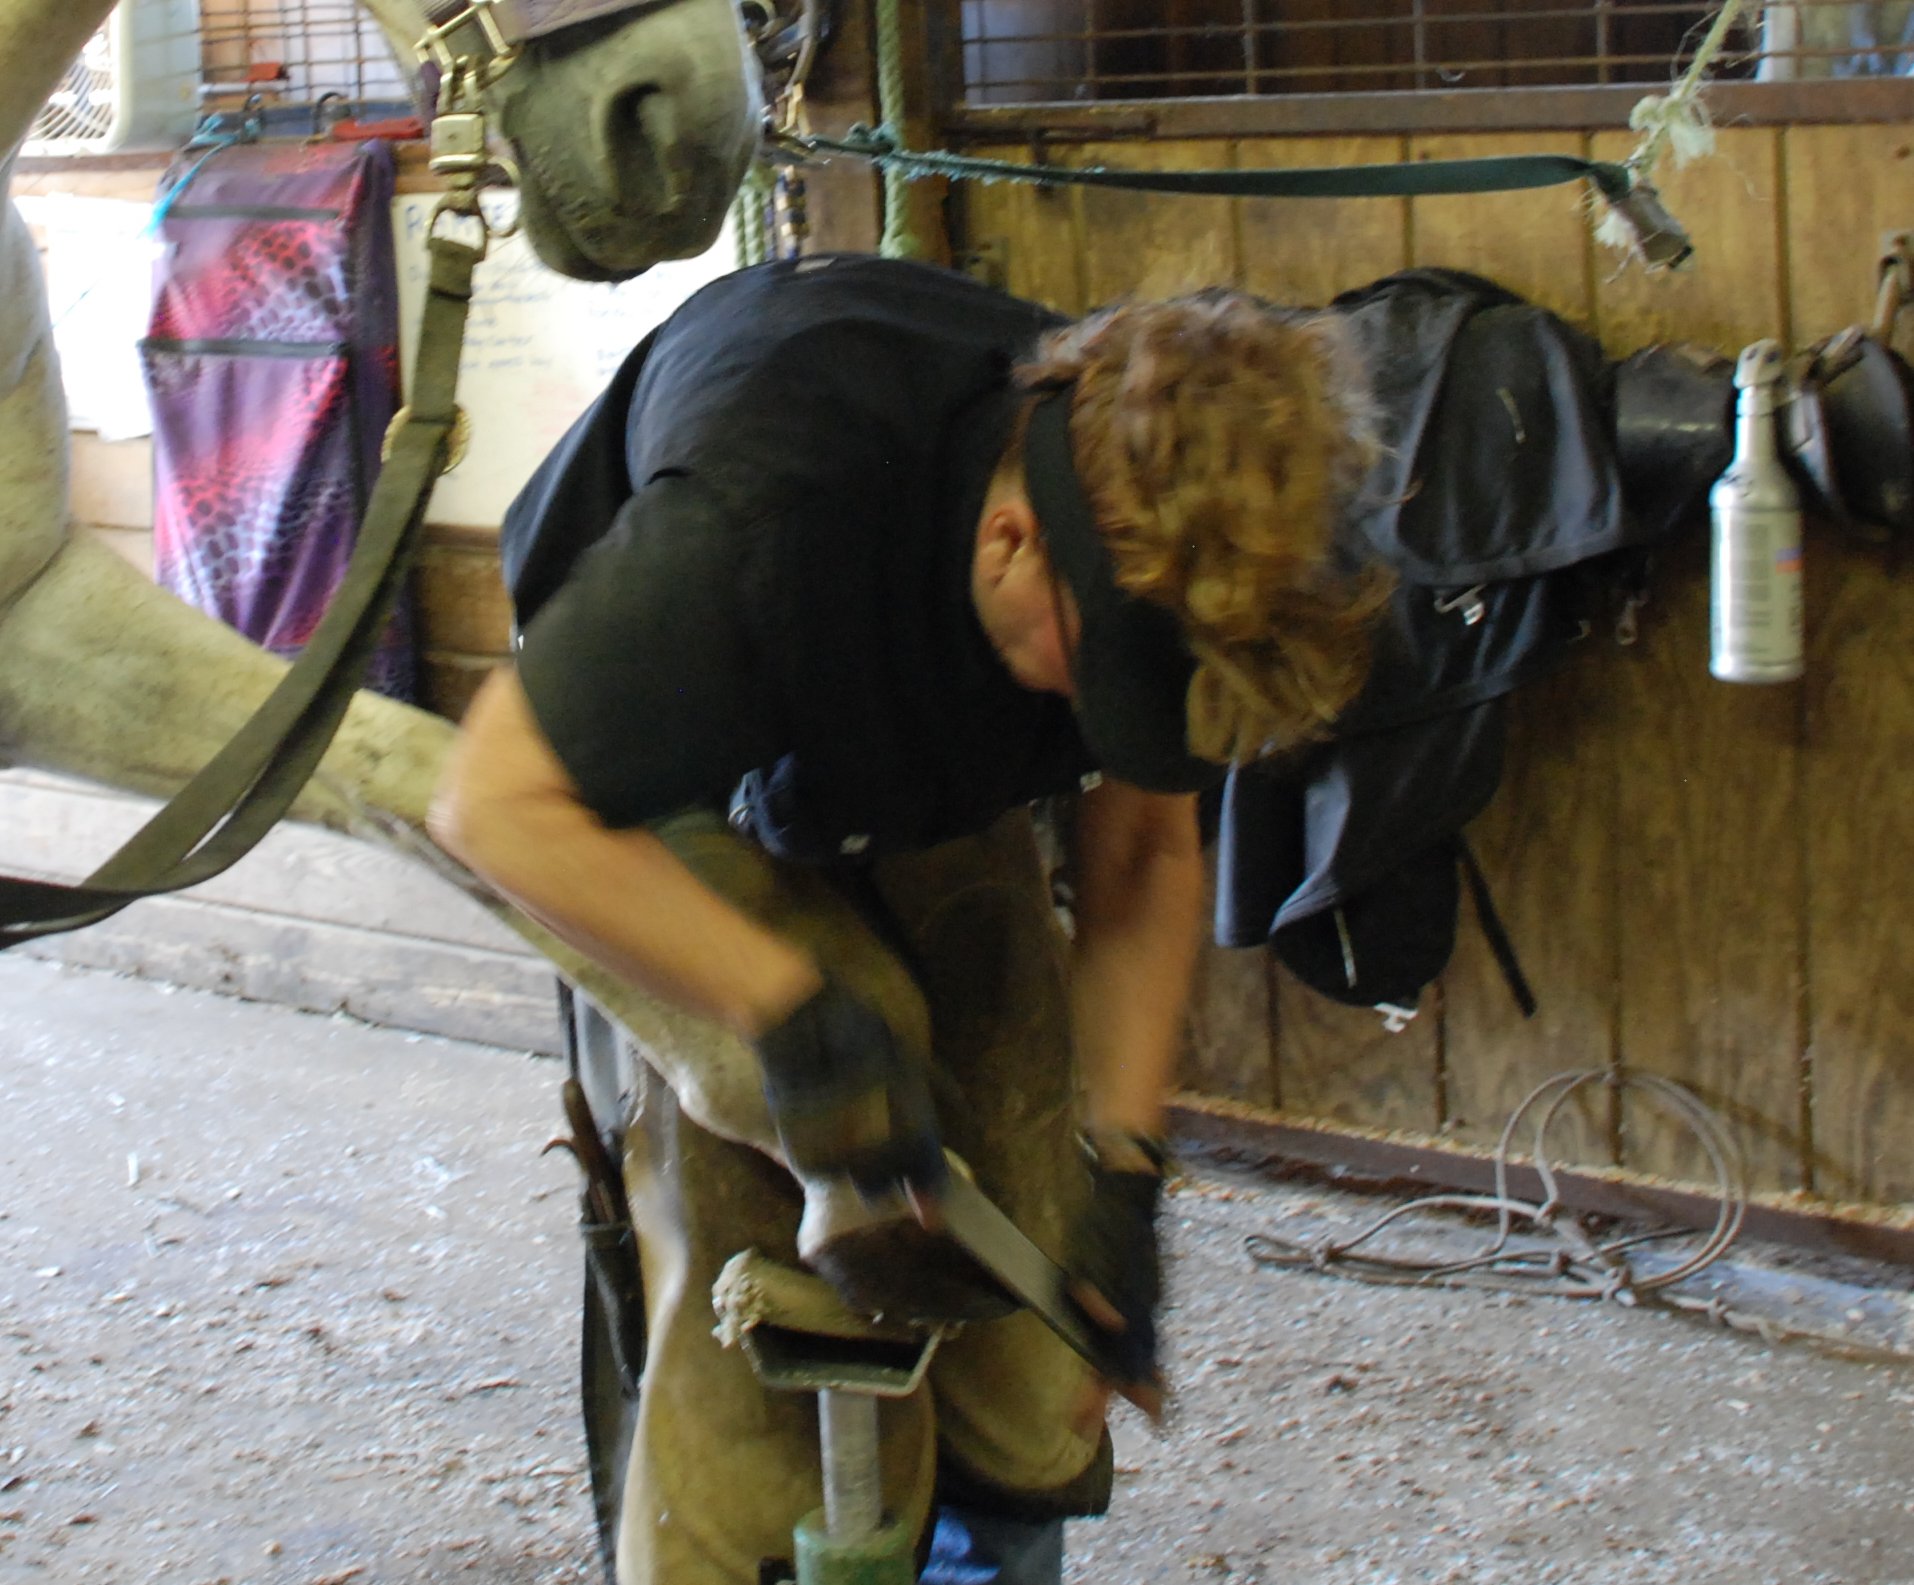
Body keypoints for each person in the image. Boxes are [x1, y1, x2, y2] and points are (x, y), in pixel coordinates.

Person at [430, 251, 1381, 1585]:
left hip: (910, 740)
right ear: (1012, 540)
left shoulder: (1138, 528)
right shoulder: (758, 524)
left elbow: (1142, 853)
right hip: (649, 774)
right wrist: (789, 1016)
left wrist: (1124, 1172)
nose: (1103, 714)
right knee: (781, 1199)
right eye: (1097, 680)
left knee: (1032, 1299)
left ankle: (991, 1541)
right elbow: (490, 804)